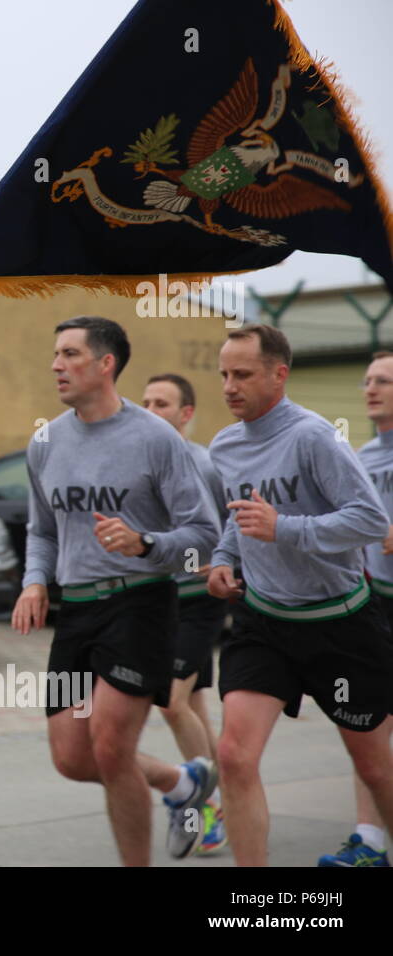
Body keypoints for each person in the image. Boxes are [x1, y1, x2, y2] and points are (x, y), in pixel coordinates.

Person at [11, 317, 221, 865]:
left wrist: (145, 542)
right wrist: (35, 581)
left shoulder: (156, 439)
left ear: (106, 364)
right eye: (55, 353)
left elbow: (204, 534)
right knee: (72, 759)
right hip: (75, 610)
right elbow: (42, 531)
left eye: (71, 354)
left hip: (139, 604)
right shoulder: (45, 441)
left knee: (110, 748)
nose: (56, 364)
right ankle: (181, 782)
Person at [208, 325, 393, 867]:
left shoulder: (315, 436)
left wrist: (284, 528)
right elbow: (240, 520)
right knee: (233, 756)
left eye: (242, 374)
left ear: (278, 375)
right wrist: (224, 558)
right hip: (263, 623)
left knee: (375, 768)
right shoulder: (224, 445)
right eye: (224, 374)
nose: (229, 386)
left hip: (340, 624)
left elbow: (369, 520)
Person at [141, 373, 229, 856]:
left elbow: (231, 526)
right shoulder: (136, 463)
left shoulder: (205, 465)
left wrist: (227, 565)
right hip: (159, 599)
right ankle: (222, 794)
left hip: (200, 600)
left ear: (186, 413)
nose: (151, 410)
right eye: (147, 401)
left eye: (163, 403)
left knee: (171, 703)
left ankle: (206, 799)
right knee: (191, 706)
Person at [315, 351, 393, 867]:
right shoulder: (362, 457)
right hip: (373, 602)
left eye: (383, 381)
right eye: (366, 380)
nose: (370, 388)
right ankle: (369, 840)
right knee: (368, 724)